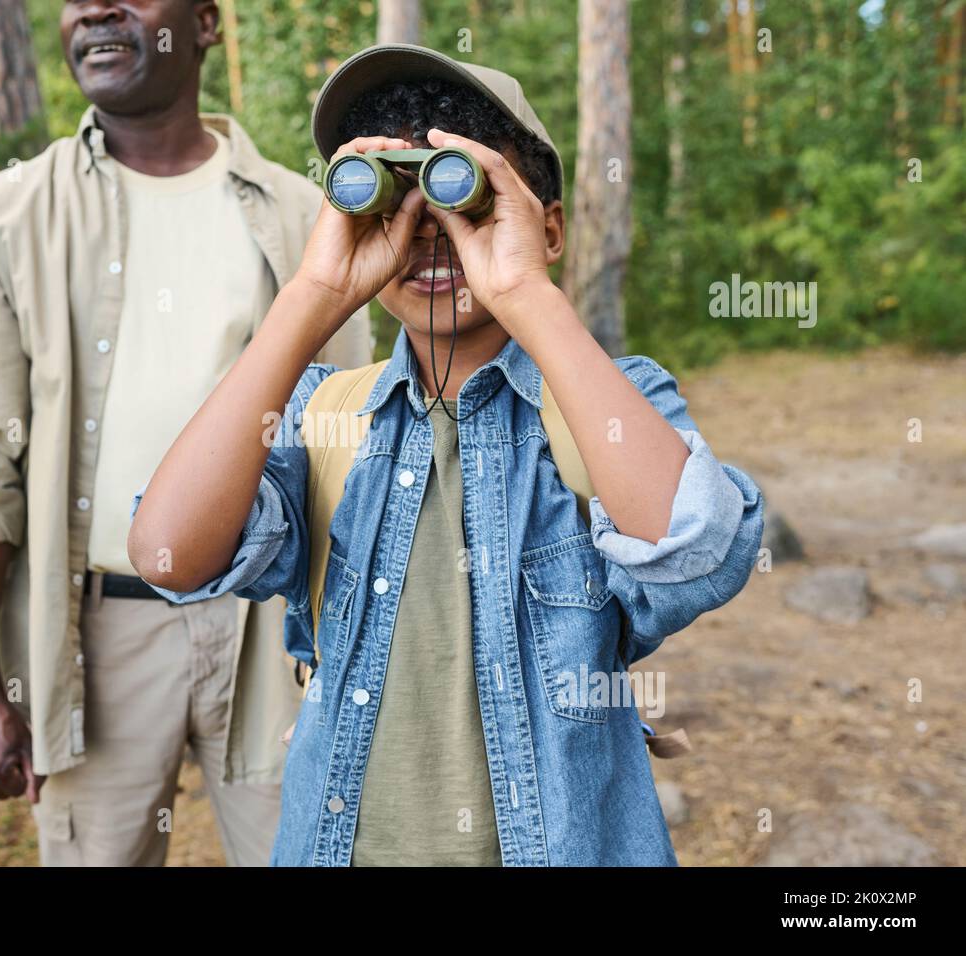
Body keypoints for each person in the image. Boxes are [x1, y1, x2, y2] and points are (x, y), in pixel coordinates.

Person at [128, 44, 764, 866]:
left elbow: (694, 550)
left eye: (463, 199)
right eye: (396, 202)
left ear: (551, 227)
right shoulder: (327, 415)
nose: (432, 238)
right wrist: (310, 299)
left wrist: (525, 291)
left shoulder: (606, 401)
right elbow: (168, 553)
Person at [0, 0, 369, 866]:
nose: (94, 8)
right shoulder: (5, 217)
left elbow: (343, 446)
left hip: (272, 627)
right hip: (97, 638)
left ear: (204, 23)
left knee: (315, 850)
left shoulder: (300, 212)